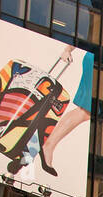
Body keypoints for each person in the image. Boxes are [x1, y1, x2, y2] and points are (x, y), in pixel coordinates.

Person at [39, 46, 94, 176]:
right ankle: (48, 146)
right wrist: (68, 49)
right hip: (98, 63)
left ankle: (48, 145)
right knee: (85, 111)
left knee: (86, 112)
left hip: (102, 63)